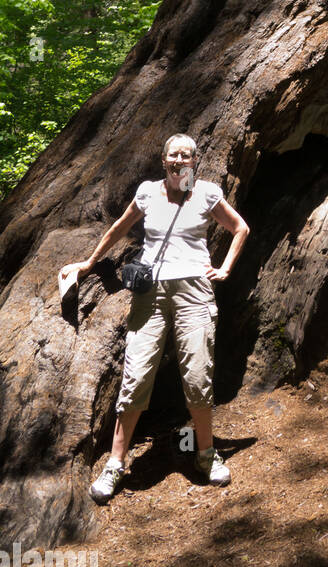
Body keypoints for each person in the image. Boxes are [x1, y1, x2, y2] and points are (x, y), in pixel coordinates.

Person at [58, 134, 250, 504]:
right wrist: (88, 262)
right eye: (173, 155)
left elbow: (240, 227)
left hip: (195, 292)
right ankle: (115, 463)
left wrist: (224, 268)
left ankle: (206, 455)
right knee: (137, 374)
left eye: (187, 155)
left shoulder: (207, 193)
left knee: (197, 375)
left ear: (195, 161)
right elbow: (118, 228)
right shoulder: (147, 192)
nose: (180, 160)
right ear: (164, 161)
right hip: (150, 295)